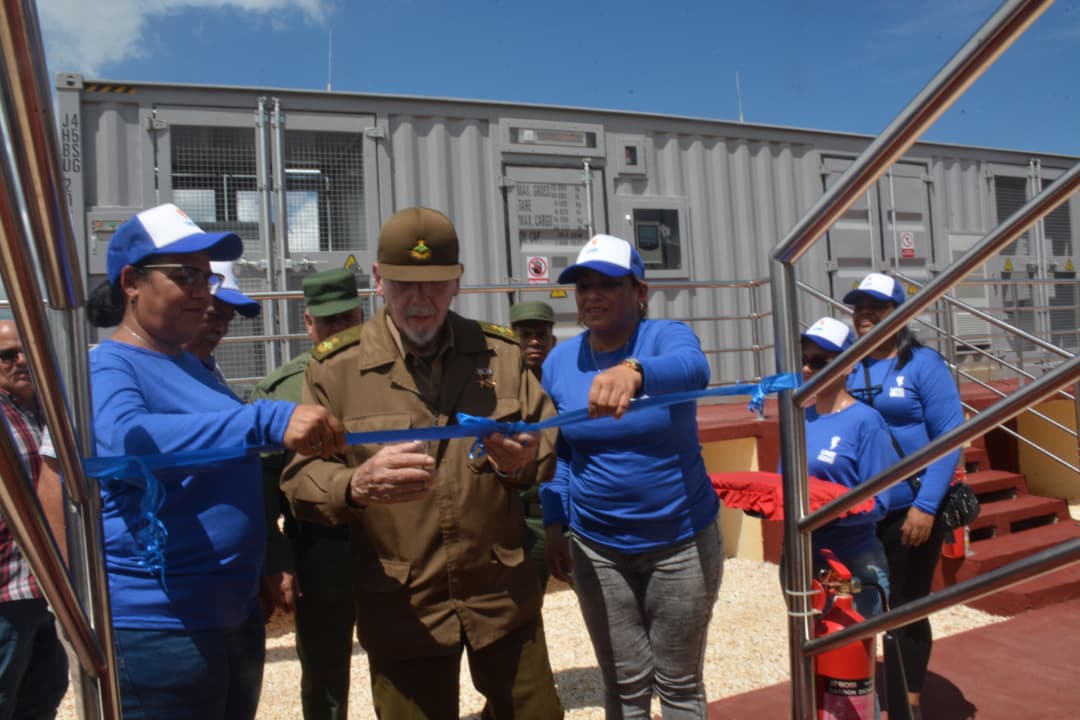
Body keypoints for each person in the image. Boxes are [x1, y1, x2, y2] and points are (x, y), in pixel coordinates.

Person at [281, 206, 563, 719]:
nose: (420, 300)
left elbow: (544, 443)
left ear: (457, 282)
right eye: (404, 284)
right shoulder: (337, 369)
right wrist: (355, 484)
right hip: (403, 605)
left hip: (501, 595)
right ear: (378, 280)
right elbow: (301, 478)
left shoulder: (498, 355)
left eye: (435, 284)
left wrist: (519, 462)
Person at [85, 202, 343, 720]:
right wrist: (265, 421)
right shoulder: (109, 365)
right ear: (132, 281)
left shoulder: (192, 367)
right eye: (184, 276)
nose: (203, 290)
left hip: (230, 616)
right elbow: (124, 444)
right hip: (162, 628)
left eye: (205, 276)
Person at [539, 233, 724, 718]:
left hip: (680, 542)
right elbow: (559, 453)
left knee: (679, 684)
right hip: (597, 548)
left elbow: (694, 368)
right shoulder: (560, 362)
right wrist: (555, 524)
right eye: (583, 286)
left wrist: (634, 372)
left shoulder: (666, 336)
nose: (592, 295)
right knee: (624, 685)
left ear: (640, 292)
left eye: (608, 284)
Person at [843, 272, 964, 719]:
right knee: (859, 608)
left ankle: (908, 704)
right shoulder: (845, 364)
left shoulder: (923, 364)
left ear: (901, 314)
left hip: (909, 512)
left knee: (907, 608)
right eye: (858, 307)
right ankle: (857, 695)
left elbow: (950, 437)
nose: (865, 314)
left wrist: (927, 507)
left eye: (876, 306)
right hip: (857, 516)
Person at [249, 267, 364, 720]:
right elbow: (262, 492)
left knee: (405, 655)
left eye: (348, 319)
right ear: (308, 322)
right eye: (328, 322)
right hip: (321, 548)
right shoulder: (280, 392)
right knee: (324, 667)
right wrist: (278, 562)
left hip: (394, 542)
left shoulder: (393, 377)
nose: (339, 331)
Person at [798, 317, 895, 620]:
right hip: (803, 554)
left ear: (848, 365)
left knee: (852, 655)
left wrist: (825, 508)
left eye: (818, 361)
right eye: (804, 360)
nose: (807, 369)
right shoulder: (799, 419)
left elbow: (879, 503)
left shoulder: (866, 422)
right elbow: (782, 485)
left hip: (853, 556)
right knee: (807, 647)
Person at [0, 320, 69, 719]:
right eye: (7, 355)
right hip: (6, 586)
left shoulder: (49, 410)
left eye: (27, 350)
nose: (21, 360)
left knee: (43, 693)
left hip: (46, 585)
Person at [508, 300, 557, 592]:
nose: (534, 342)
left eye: (541, 334)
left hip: (570, 518)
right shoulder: (499, 392)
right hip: (524, 519)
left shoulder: (564, 386)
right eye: (525, 335)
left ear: (553, 339)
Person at [183, 260, 261, 383]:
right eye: (213, 316)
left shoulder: (209, 368)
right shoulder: (152, 372)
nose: (222, 330)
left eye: (228, 319)